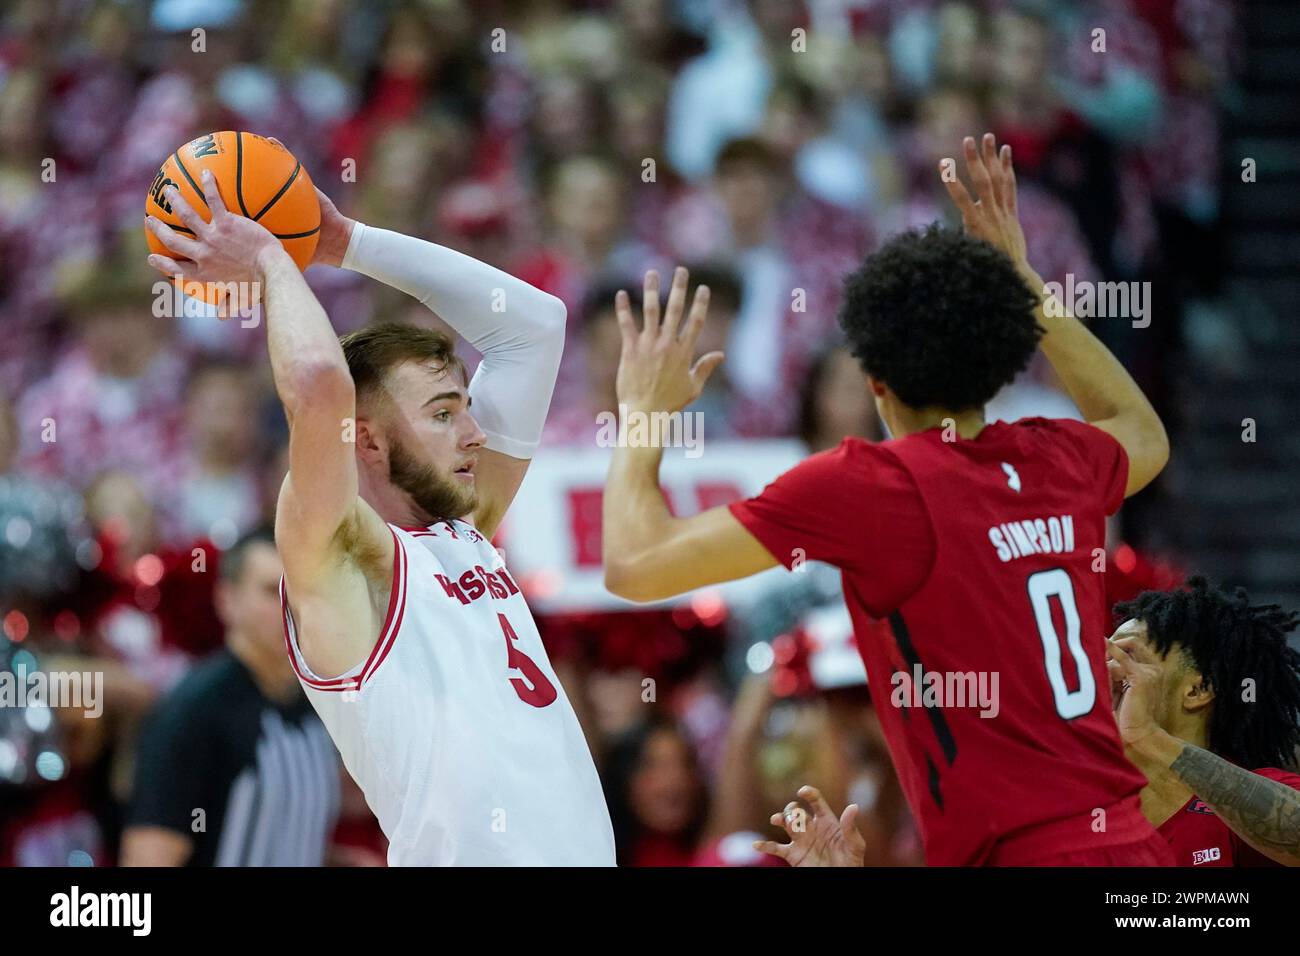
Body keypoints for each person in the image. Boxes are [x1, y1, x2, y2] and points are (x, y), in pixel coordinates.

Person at [602, 133, 1171, 866]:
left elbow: (635, 564)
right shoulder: (1059, 454)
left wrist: (643, 412)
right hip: (1130, 845)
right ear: (1002, 363)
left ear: (874, 380)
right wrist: (1025, 282)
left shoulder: (873, 485)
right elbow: (1143, 434)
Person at [144, 162, 614, 865]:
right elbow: (319, 383)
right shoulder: (344, 557)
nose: (475, 433)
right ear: (364, 438)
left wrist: (345, 242)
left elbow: (536, 327)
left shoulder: (465, 528)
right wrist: (273, 259)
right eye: (444, 413)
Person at [122, 527, 339, 866]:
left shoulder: (319, 703)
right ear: (227, 601)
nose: (290, 605)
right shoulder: (192, 712)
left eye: (300, 589)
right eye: (272, 591)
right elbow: (149, 858)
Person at [1108, 577, 1300, 866]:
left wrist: (1146, 736)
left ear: (1197, 691)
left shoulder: (1253, 798)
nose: (1106, 666)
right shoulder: (1075, 802)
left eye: (1128, 655)